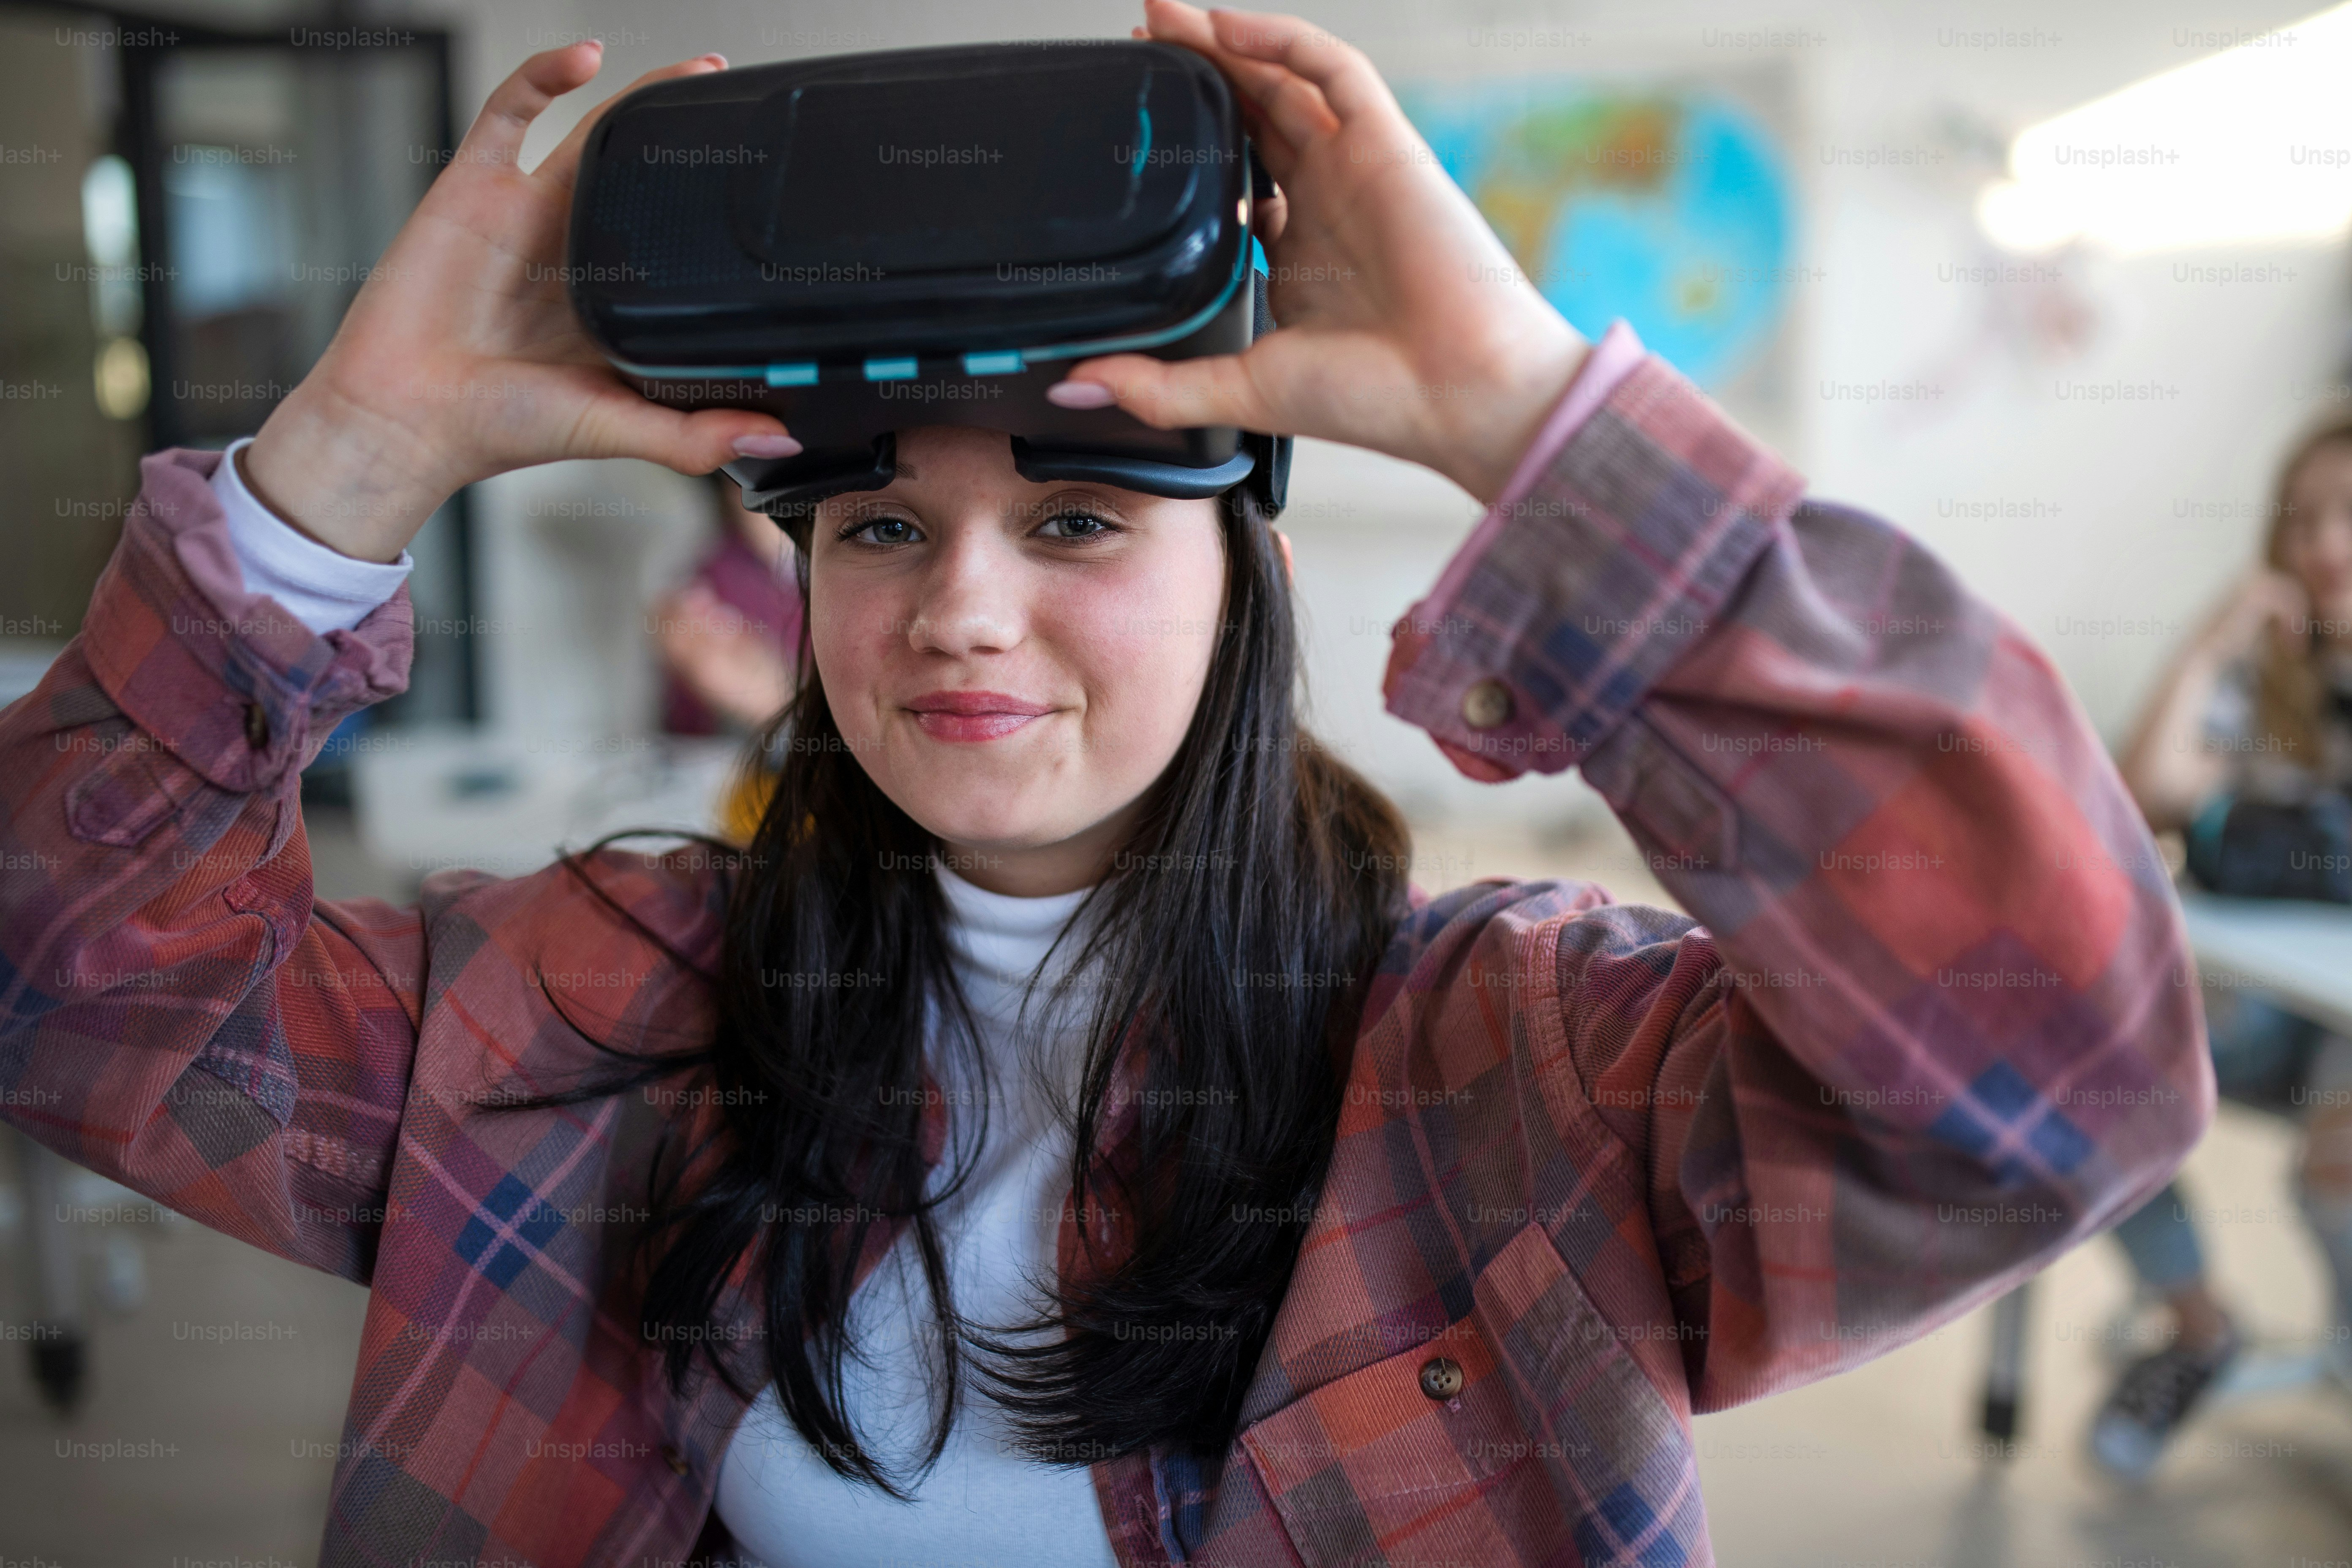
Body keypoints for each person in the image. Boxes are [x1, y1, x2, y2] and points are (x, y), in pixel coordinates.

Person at [0, 7, 2209, 1567]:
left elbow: (2061, 1074)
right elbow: (68, 989)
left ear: (1237, 586)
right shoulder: (577, 1003)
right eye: (878, 530)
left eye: (1073, 525)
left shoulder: (1514, 1065)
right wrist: (355, 463)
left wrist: (1527, 417)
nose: (957, 610)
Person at [2097, 416, 2352, 1479]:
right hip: (2279, 1011)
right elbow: (2142, 794)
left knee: (2340, 1168)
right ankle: (2200, 1328)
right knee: (2085, 1085)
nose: (2323, 547)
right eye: (2299, 522)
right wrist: (2211, 642)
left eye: (2347, 519)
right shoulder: (2274, 679)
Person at [651, 476, 804, 842]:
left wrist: (782, 701)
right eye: (746, 483)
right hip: (726, 785)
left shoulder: (849, 571)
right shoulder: (709, 586)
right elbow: (688, 739)